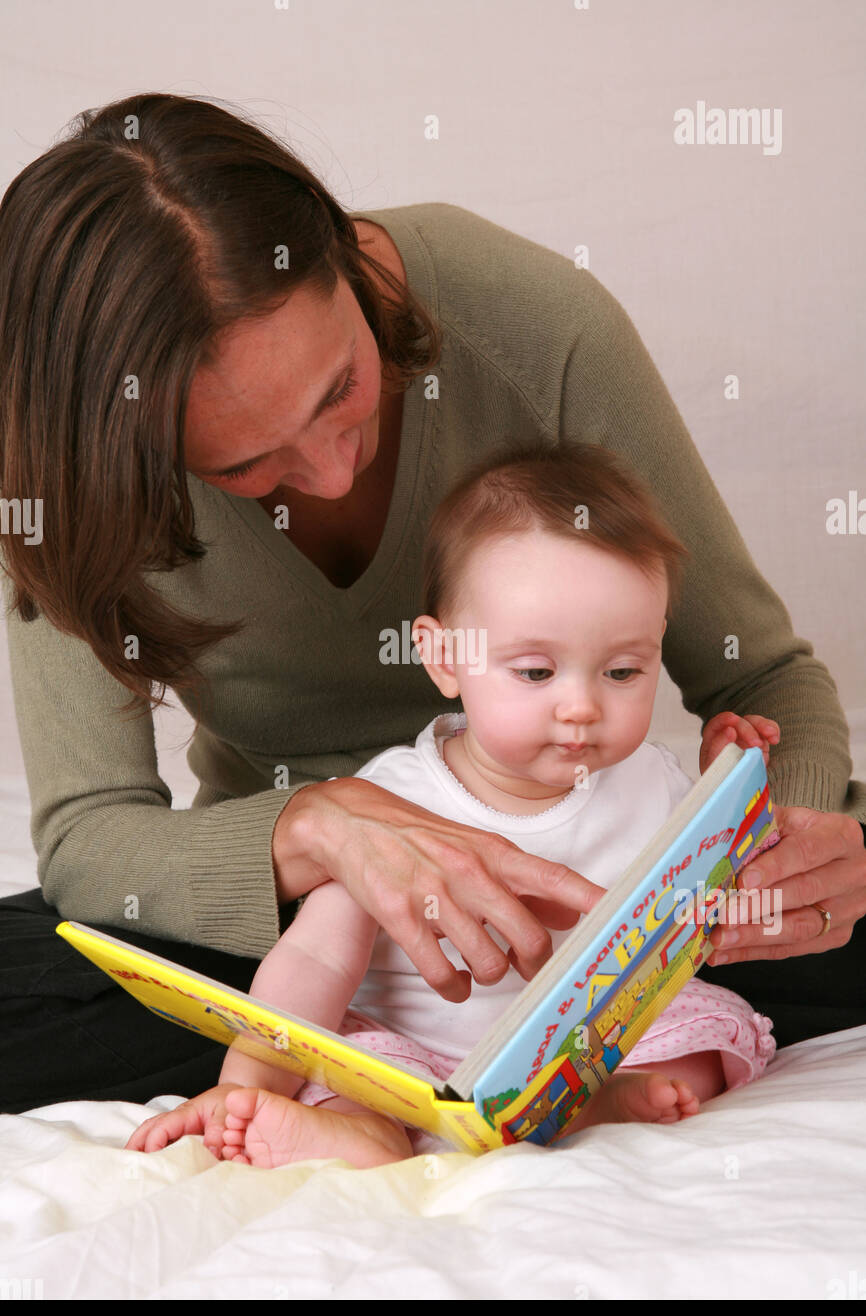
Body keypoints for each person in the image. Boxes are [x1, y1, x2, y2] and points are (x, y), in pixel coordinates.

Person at [1, 93, 864, 1116]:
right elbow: (93, 838)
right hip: (308, 934)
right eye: (242, 462)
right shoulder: (64, 476)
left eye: (338, 389)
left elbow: (762, 679)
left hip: (596, 905)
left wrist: (790, 838)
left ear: (341, 254)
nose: (324, 471)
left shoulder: (532, 323)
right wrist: (321, 828)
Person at [127, 443, 782, 1168]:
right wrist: (244, 1083)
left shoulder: (655, 784)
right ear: (444, 659)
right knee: (351, 1074)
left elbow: (716, 886)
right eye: (535, 671)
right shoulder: (394, 802)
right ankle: (357, 1134)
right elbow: (313, 956)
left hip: (588, 1046)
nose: (582, 706)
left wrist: (728, 777)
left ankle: (601, 1099)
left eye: (624, 671)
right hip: (415, 1050)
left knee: (704, 1032)